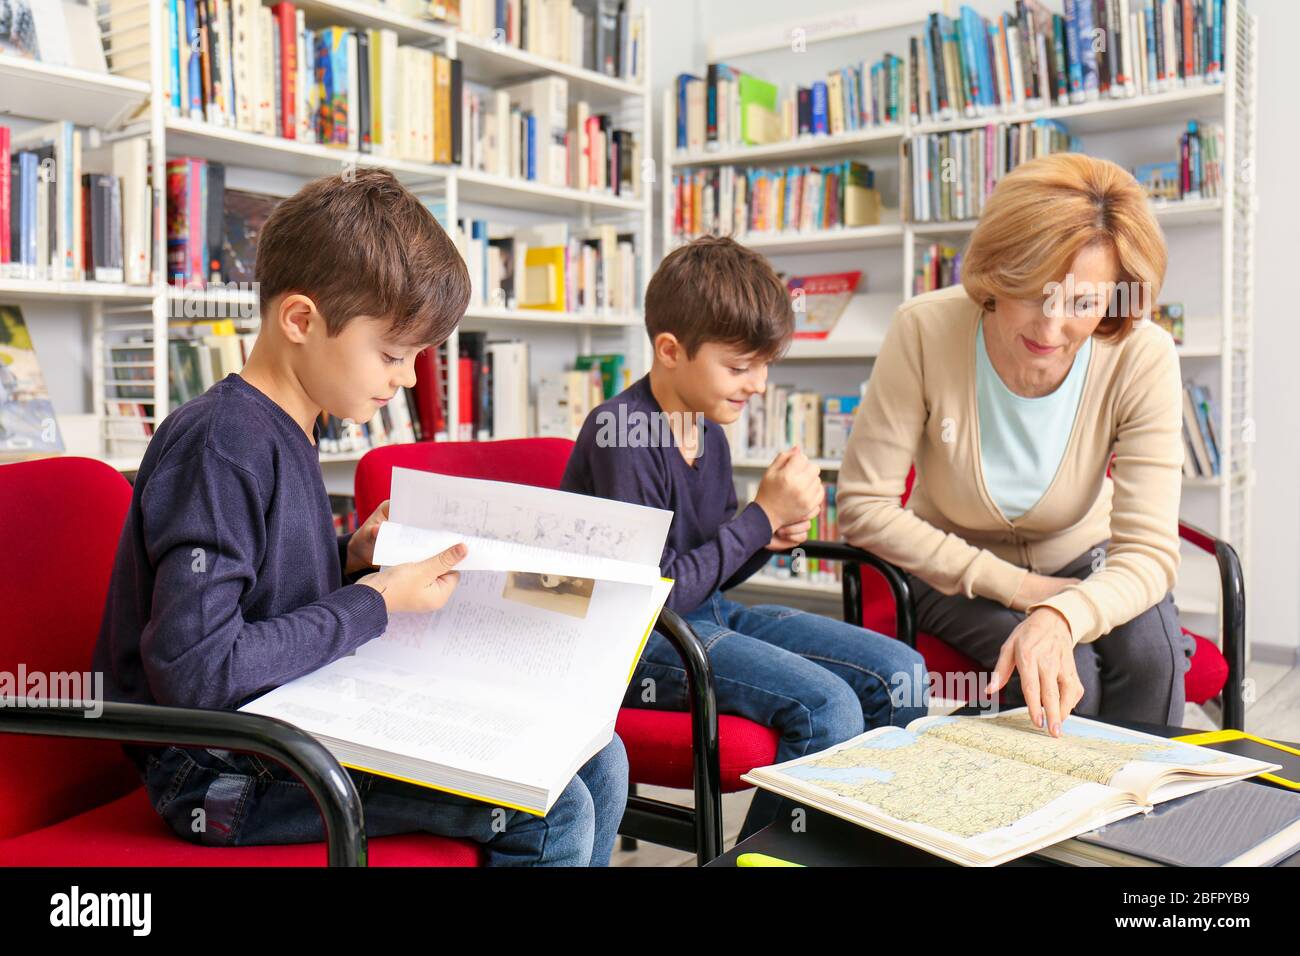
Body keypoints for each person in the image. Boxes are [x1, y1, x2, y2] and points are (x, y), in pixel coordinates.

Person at [92, 168, 627, 866]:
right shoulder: (223, 441)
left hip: (289, 720)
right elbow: (198, 671)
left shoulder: (288, 422)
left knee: (600, 758)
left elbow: (251, 586)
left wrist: (348, 556)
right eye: (392, 354)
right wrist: (372, 601)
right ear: (301, 321)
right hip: (218, 772)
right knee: (551, 814)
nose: (407, 379)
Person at [561, 235, 928, 841]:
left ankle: (860, 850)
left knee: (901, 672)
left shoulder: (711, 433)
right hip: (635, 641)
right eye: (739, 366)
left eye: (764, 365)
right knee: (827, 707)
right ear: (670, 350)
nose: (757, 384)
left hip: (705, 617)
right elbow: (655, 595)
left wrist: (768, 538)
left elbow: (709, 570)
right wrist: (758, 519)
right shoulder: (621, 431)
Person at [836, 153, 1195, 737]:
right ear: (997, 272)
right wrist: (1020, 589)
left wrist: (1062, 610)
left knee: (1153, 664)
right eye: (1032, 293)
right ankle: (1041, 825)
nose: (1051, 330)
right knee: (1068, 678)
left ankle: (1134, 823)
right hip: (952, 569)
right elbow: (863, 507)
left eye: (1083, 304)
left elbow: (1148, 554)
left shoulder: (1141, 353)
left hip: (1086, 557)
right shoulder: (923, 330)